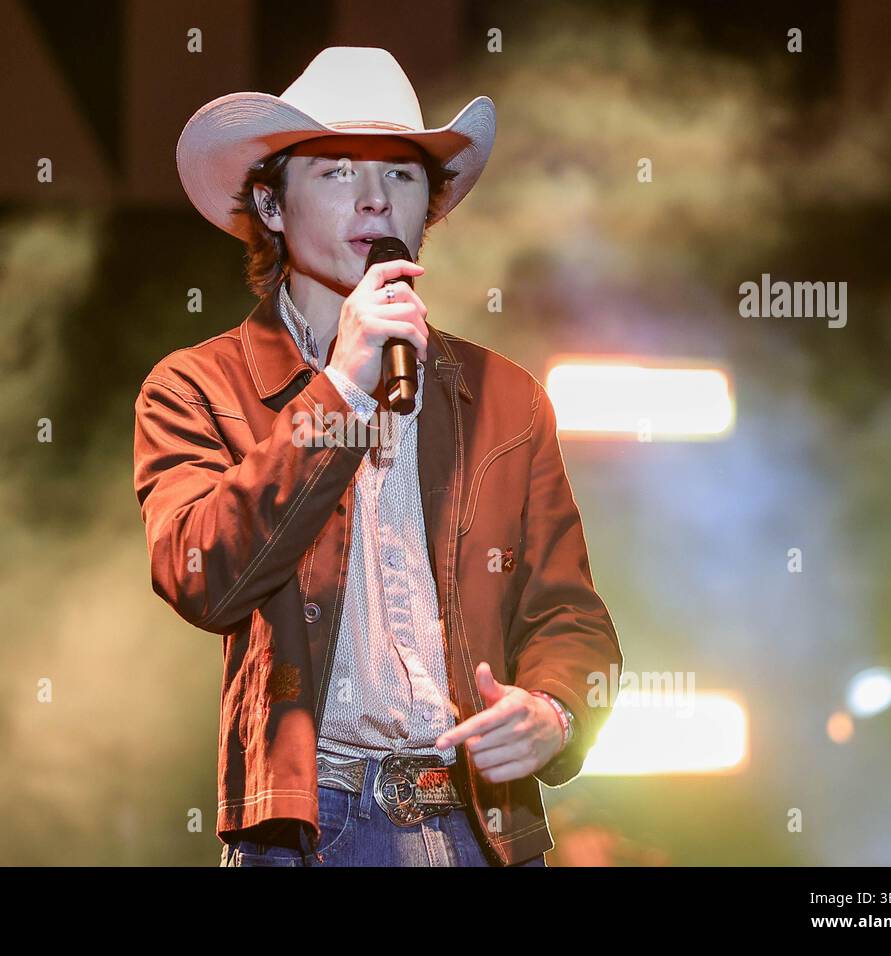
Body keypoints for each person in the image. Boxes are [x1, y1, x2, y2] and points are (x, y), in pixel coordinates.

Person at [134, 46, 623, 866]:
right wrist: (342, 390)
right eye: (332, 172)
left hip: (483, 825)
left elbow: (569, 613)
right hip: (311, 827)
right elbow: (202, 575)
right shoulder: (196, 386)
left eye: (399, 176)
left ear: (427, 209)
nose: (372, 200)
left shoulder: (505, 397)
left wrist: (555, 709)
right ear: (271, 203)